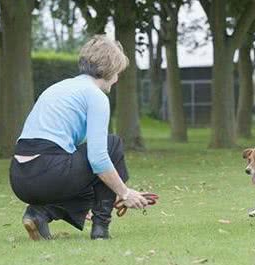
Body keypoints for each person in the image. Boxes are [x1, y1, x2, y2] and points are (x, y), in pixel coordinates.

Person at [9, 35, 150, 240]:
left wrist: (96, 199)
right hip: (48, 171)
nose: (118, 79)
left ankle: (38, 214)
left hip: (19, 178)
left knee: (99, 182)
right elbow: (99, 158)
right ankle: (101, 229)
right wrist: (125, 192)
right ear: (111, 69)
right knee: (113, 145)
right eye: (118, 72)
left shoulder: (59, 88)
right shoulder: (96, 96)